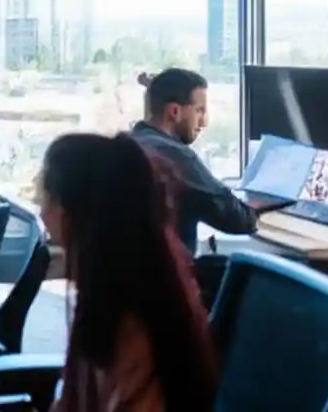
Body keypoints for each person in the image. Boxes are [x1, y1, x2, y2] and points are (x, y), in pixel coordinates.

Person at [38, 133, 218, 412]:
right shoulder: (102, 295)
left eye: (45, 197)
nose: (41, 212)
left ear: (72, 213)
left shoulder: (133, 327)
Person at [131, 68, 257, 254]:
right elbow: (238, 221)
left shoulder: (129, 146)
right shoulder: (176, 156)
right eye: (199, 111)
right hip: (170, 278)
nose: (204, 122)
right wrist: (257, 209)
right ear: (174, 111)